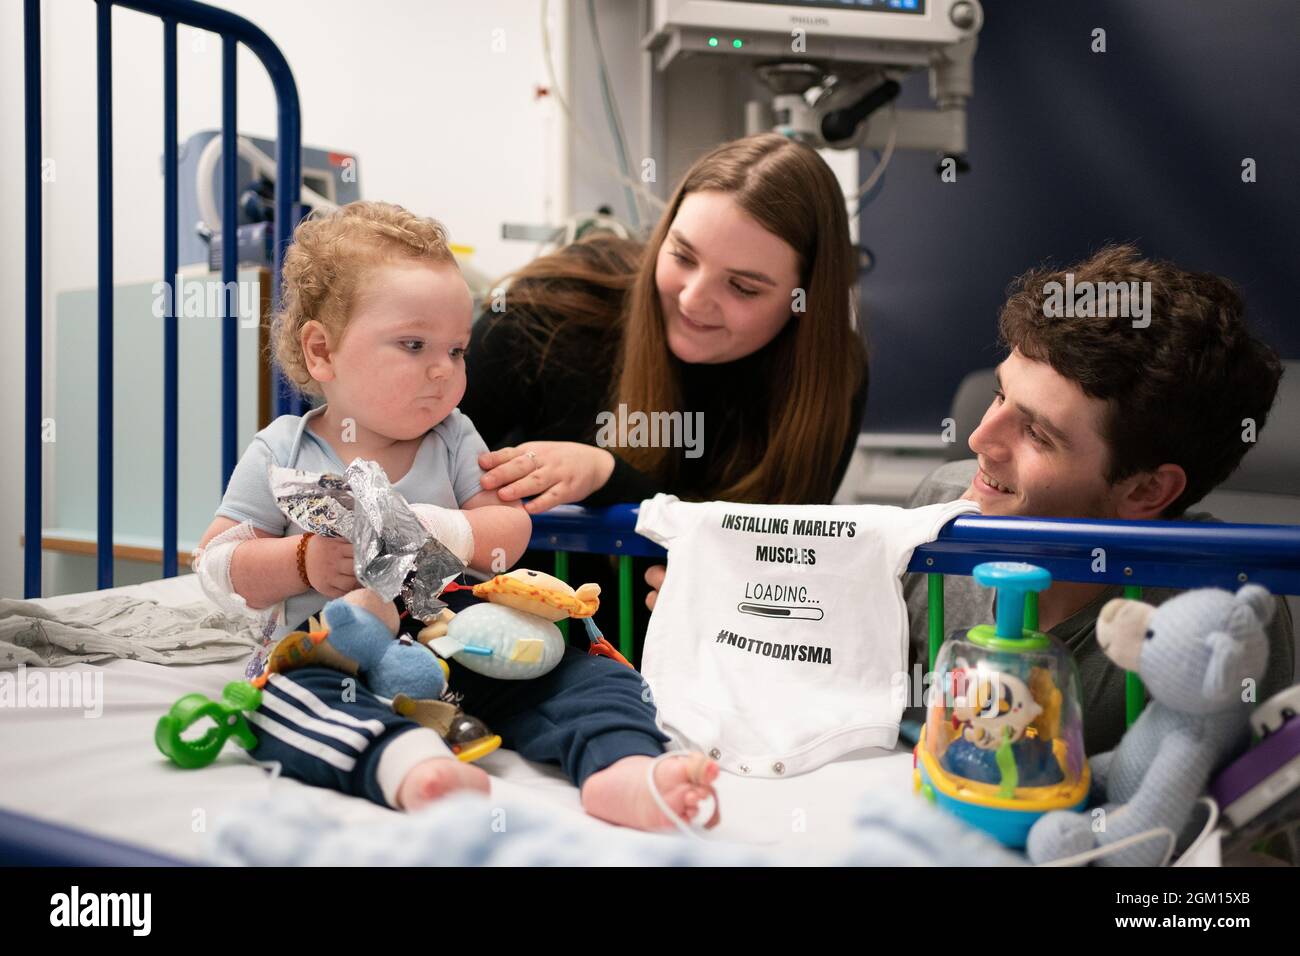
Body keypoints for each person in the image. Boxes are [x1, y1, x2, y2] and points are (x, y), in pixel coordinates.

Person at [193, 201, 720, 827]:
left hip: (452, 641)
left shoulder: (453, 436)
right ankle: (407, 764)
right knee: (281, 703)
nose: (444, 370)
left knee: (576, 675)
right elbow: (217, 564)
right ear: (321, 351)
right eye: (414, 345)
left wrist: (428, 528)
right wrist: (301, 560)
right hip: (329, 651)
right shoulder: (282, 449)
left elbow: (510, 533)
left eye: (458, 350)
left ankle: (623, 767)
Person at [462, 133, 870, 653]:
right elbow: (424, 472)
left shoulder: (830, 375)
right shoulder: (558, 309)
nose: (695, 299)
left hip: (701, 678)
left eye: (743, 287)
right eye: (682, 256)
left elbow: (775, 559)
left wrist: (608, 477)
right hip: (508, 659)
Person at [899, 244, 1294, 755]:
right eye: (1000, 396)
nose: (979, 440)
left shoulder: (1225, 620)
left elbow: (1233, 822)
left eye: (1037, 434)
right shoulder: (935, 510)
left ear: (1146, 490)